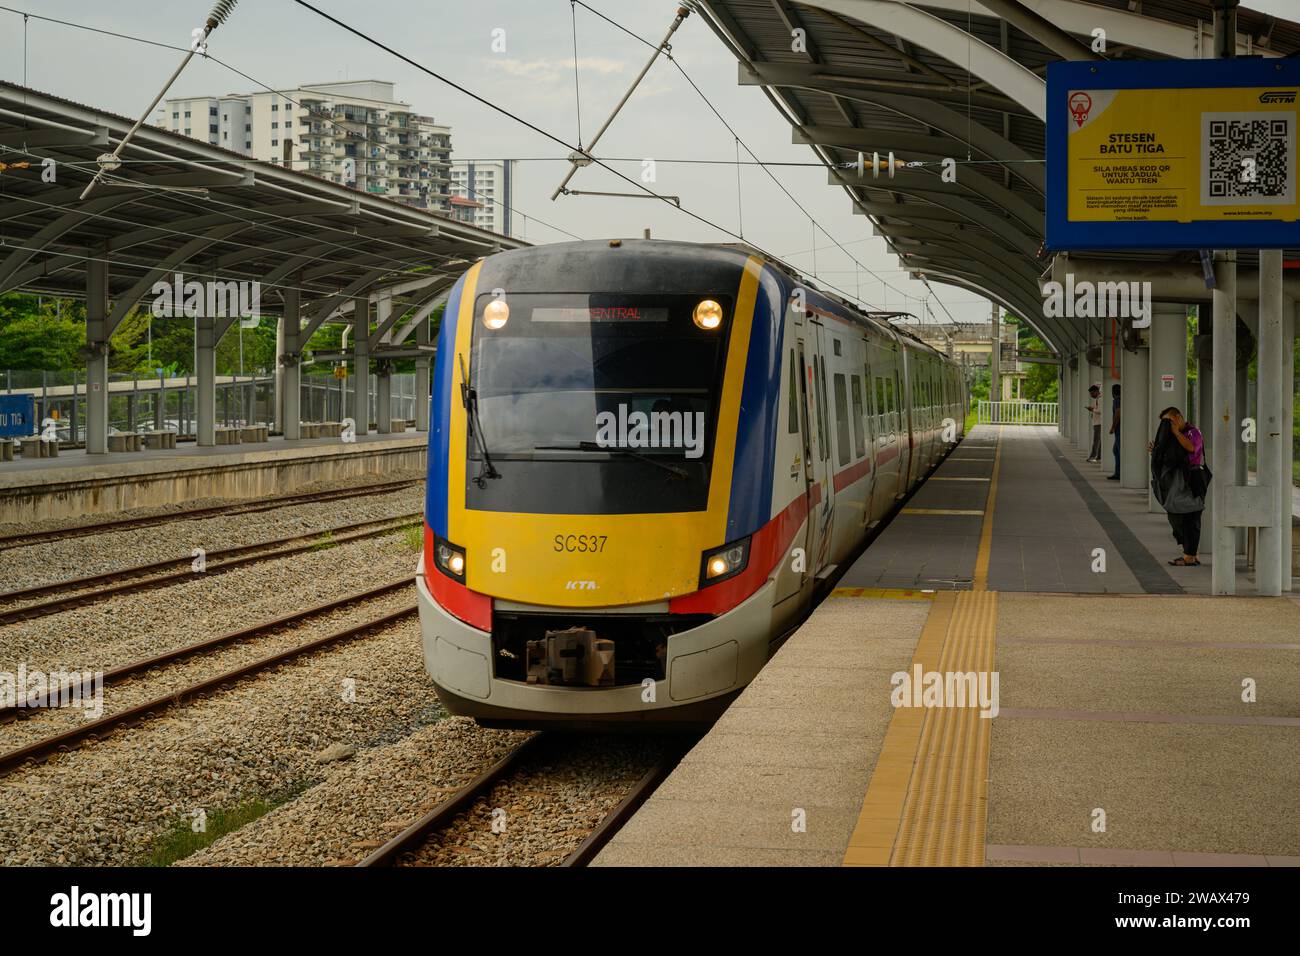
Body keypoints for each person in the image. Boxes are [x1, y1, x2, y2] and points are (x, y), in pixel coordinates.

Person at [1148, 406, 1208, 566]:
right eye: (1165, 422)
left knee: (1192, 516)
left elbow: (1191, 448)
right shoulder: (1171, 435)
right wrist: (1156, 451)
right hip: (1177, 480)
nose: (1169, 424)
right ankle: (1189, 552)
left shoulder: (1193, 432)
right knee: (1175, 514)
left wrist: (1175, 432)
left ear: (1179, 417)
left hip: (1192, 479)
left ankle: (1190, 556)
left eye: (1171, 420)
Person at [1106, 383, 1121, 480]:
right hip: (1119, 429)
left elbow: (1118, 413)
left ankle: (1119, 473)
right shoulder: (1121, 399)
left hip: (1119, 429)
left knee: (1119, 450)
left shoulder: (1117, 401)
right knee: (1116, 450)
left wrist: (1112, 427)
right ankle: (1118, 472)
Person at [1086, 384, 1102, 461]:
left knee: (1096, 440)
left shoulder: (1100, 399)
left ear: (1096, 391)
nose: (1091, 395)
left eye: (1092, 393)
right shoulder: (1098, 399)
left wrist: (1092, 410)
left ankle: (1093, 456)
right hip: (1097, 422)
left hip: (1099, 423)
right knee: (1099, 440)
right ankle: (1099, 456)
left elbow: (1100, 410)